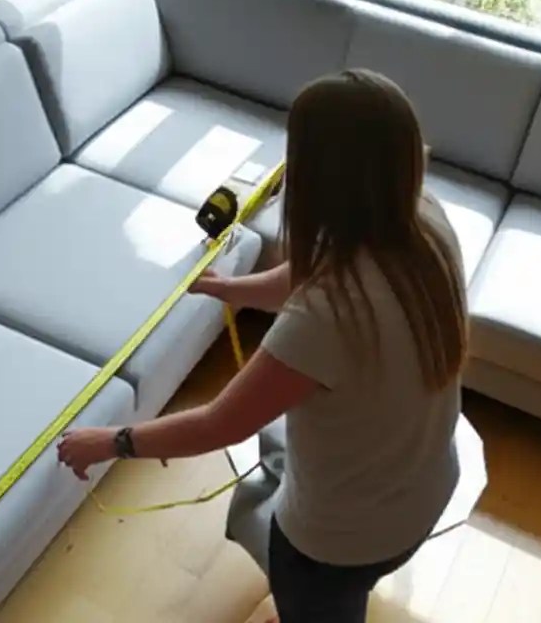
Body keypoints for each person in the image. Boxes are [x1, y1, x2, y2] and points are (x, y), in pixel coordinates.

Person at [57, 68, 469, 623]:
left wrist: (110, 441)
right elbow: (310, 269)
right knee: (282, 448)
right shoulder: (424, 221)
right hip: (428, 487)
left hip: (338, 546)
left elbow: (216, 425)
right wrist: (232, 290)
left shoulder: (327, 317)